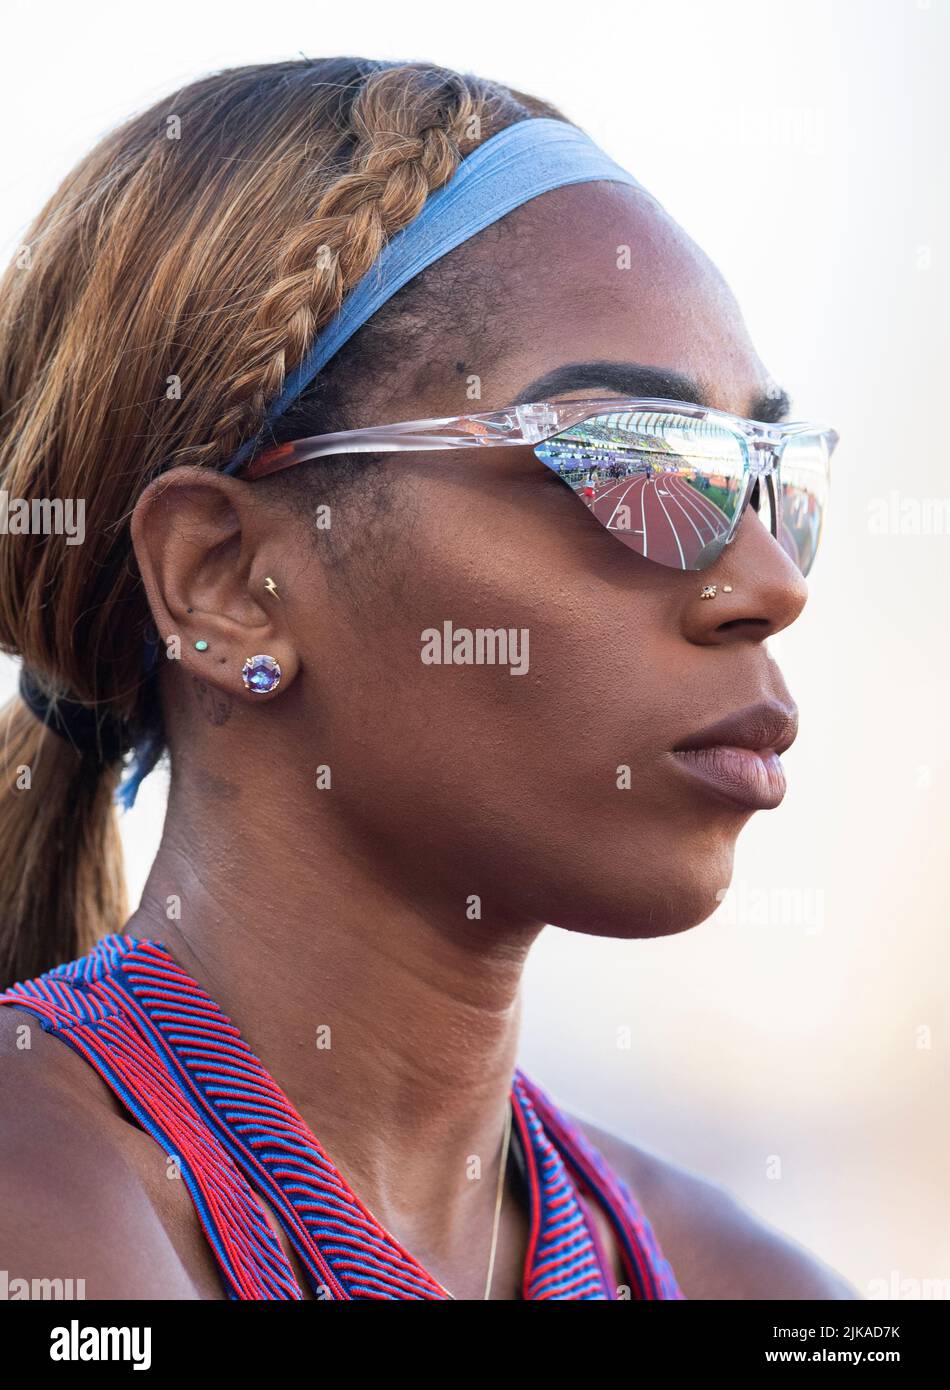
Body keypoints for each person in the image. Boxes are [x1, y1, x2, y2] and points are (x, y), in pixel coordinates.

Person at [0, 57, 855, 1300]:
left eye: (771, 478)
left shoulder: (747, 1285)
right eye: (630, 463)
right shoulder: (42, 1223)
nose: (769, 580)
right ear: (226, 578)